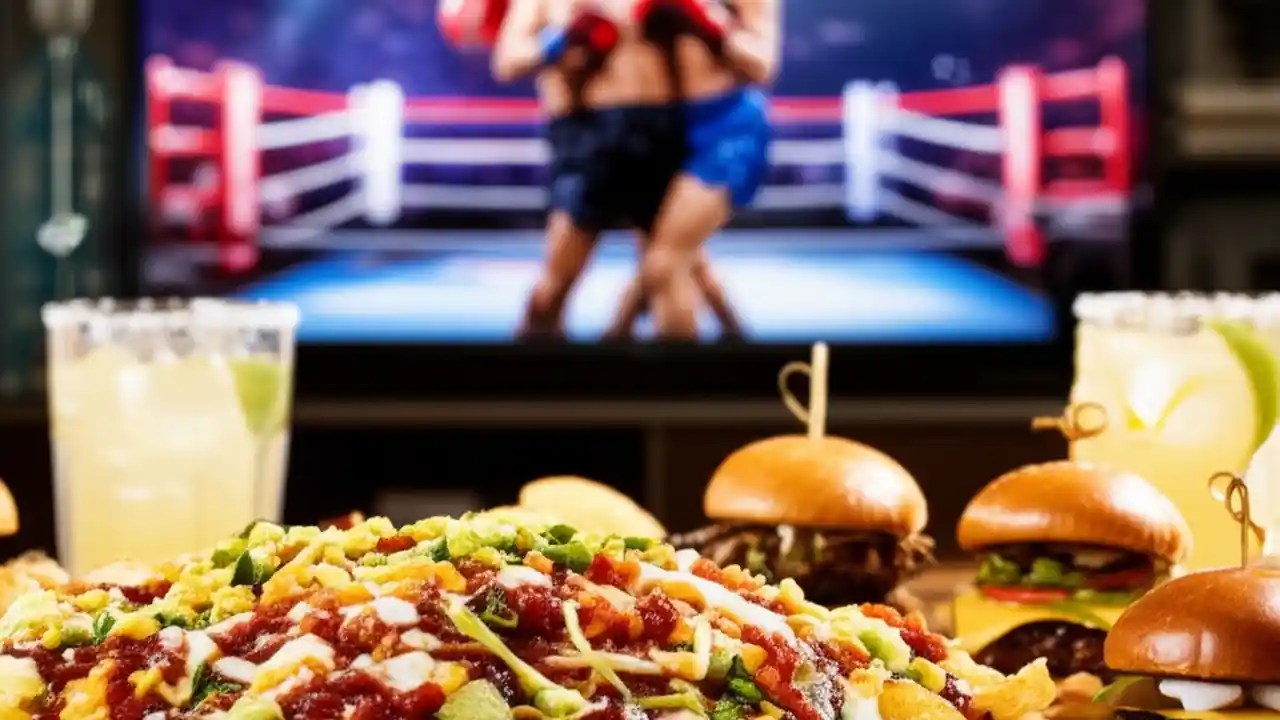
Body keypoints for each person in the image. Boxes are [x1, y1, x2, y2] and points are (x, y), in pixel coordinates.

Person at [493, 0, 739, 341]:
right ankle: (529, 390)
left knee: (669, 274)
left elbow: (725, 62)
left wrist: (704, 24)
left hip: (662, 130)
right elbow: (508, 61)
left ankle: (683, 390)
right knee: (552, 289)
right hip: (589, 136)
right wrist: (559, 41)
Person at [614, 0, 779, 340]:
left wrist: (706, 19)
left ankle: (680, 387)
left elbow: (763, 65)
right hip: (657, 128)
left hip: (725, 127)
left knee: (665, 264)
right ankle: (741, 354)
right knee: (685, 262)